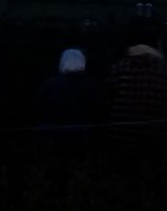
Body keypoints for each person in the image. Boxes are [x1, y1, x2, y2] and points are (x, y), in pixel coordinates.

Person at [31, 47, 102, 189]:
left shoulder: (49, 85)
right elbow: (99, 112)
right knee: (78, 176)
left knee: (53, 177)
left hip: (51, 139)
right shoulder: (91, 86)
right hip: (81, 139)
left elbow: (34, 108)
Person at [105, 34, 167, 152]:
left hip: (121, 136)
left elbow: (106, 100)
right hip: (155, 138)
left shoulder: (118, 68)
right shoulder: (163, 70)